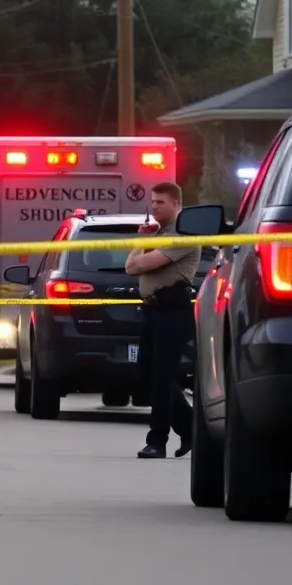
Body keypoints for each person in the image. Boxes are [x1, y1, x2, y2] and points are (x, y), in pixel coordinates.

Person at [125, 181, 201, 460]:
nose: (154, 206)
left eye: (160, 202)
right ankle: (191, 428)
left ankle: (157, 441)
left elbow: (133, 266)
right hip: (153, 311)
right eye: (152, 201)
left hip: (173, 311)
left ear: (176, 204)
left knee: (161, 378)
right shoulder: (161, 233)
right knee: (147, 374)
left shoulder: (183, 235)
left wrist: (140, 242)